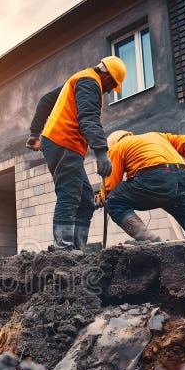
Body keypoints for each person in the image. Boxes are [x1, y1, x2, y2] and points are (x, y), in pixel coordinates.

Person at [26, 56, 126, 251]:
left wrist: (34, 132)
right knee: (70, 194)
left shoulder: (78, 80)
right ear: (107, 75)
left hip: (62, 144)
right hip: (63, 142)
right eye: (111, 85)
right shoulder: (90, 82)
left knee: (86, 200)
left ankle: (77, 249)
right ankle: (62, 249)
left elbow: (46, 101)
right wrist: (101, 152)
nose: (107, 91)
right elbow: (88, 117)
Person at [98, 130, 185, 242]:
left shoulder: (117, 147)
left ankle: (148, 240)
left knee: (113, 201)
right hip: (183, 177)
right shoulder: (158, 136)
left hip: (154, 178)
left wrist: (104, 199)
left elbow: (111, 185)